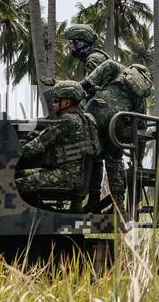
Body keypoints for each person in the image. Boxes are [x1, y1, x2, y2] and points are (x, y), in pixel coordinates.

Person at [58, 24, 152, 212]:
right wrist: (138, 158)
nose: (71, 48)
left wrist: (84, 85)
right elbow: (140, 124)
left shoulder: (97, 60)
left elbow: (90, 90)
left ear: (81, 43)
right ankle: (118, 207)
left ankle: (79, 201)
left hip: (98, 110)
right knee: (113, 160)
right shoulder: (136, 92)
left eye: (72, 44)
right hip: (118, 122)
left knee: (84, 155)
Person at [15, 81, 101, 206]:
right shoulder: (84, 119)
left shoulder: (66, 121)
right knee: (18, 174)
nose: (53, 104)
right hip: (72, 176)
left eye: (56, 100)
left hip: (65, 176)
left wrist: (12, 152)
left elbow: (35, 146)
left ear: (66, 102)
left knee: (15, 185)